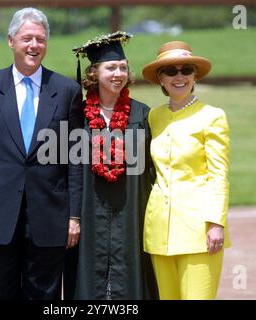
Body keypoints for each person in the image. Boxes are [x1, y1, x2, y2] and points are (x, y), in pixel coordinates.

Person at [0, 7, 83, 300]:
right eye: (27, 38)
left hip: (50, 217)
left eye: (40, 39)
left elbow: (75, 160)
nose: (34, 46)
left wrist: (74, 216)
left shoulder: (67, 90)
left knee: (45, 296)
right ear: (11, 41)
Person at [64, 31, 158, 300]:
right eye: (111, 67)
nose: (118, 73)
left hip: (131, 212)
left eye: (123, 67)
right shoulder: (77, 115)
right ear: (94, 72)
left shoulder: (141, 114)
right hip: (89, 209)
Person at [141, 41, 231, 300]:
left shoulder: (213, 116)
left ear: (195, 76)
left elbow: (218, 173)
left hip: (199, 230)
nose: (179, 76)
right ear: (160, 78)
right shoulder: (153, 117)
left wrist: (216, 223)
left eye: (186, 69)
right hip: (159, 230)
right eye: (170, 71)